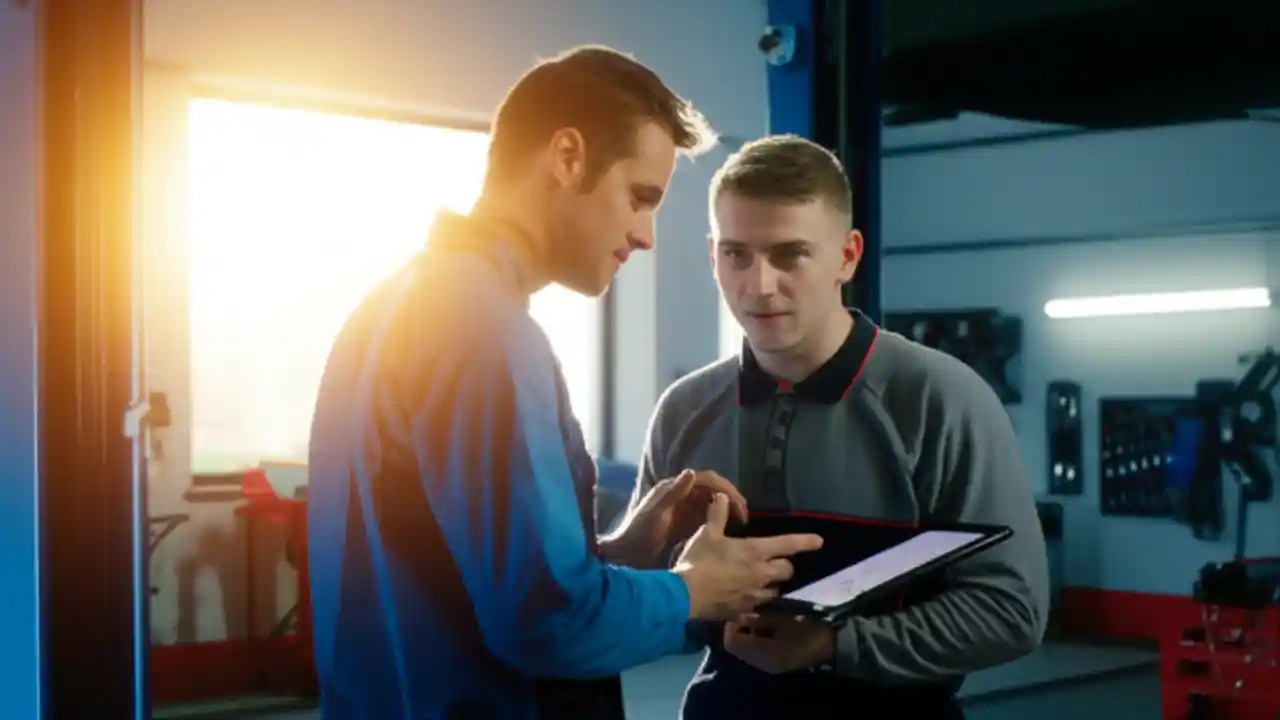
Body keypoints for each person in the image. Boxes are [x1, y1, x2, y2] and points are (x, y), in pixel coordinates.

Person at [305, 47, 825, 720]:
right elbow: (546, 624)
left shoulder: (395, 304)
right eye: (640, 198)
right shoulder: (485, 332)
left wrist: (620, 553)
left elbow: (450, 580)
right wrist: (694, 591)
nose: (645, 236)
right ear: (569, 157)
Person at [628, 134, 1050, 718]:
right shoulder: (684, 411)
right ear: (712, 255)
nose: (759, 285)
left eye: (790, 254)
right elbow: (642, 610)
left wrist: (833, 645)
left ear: (847, 256)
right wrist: (684, 593)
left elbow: (1011, 609)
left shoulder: (941, 401)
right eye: (736, 254)